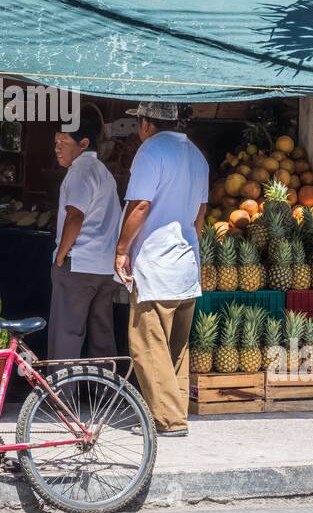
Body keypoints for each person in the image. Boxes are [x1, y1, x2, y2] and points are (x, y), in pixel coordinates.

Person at [114, 102, 209, 437]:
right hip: (185, 266)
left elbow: (141, 205)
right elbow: (200, 216)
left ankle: (169, 420)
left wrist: (122, 249)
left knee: (147, 345)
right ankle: (174, 412)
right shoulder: (196, 155)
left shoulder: (150, 151)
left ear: (144, 123)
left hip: (156, 266)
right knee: (176, 349)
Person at [48, 115, 121, 360]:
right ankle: (106, 394)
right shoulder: (103, 172)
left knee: (67, 336)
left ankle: (59, 396)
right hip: (103, 268)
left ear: (84, 143)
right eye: (56, 141)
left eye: (64, 142)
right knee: (102, 338)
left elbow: (75, 216)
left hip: (79, 267)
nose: (57, 147)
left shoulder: (81, 170)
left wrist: (60, 256)